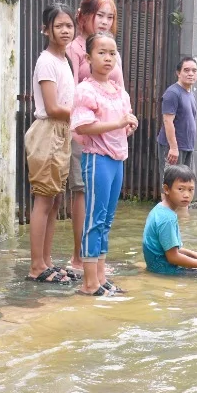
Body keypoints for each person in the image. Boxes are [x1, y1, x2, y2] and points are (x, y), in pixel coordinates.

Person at [70, 33, 137, 298]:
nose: (108, 58)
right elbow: (83, 125)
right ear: (88, 58)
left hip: (117, 158)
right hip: (97, 158)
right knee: (94, 219)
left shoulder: (119, 91)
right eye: (102, 53)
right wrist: (119, 124)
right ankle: (89, 283)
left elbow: (121, 124)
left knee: (107, 220)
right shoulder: (85, 89)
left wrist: (128, 126)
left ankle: (100, 277)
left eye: (112, 53)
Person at [65, 0, 126, 275]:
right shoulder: (75, 49)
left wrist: (126, 120)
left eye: (110, 17)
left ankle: (98, 268)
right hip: (88, 135)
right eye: (99, 15)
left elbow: (120, 91)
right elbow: (72, 95)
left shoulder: (112, 52)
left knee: (105, 211)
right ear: (84, 16)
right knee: (84, 196)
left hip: (114, 140)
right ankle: (81, 260)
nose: (104, 21)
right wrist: (111, 120)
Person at [26, 3, 78, 286]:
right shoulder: (46, 60)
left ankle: (45, 262)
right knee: (44, 199)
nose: (65, 31)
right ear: (46, 30)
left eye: (69, 25)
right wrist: (85, 113)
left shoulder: (64, 60)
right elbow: (53, 106)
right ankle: (36, 266)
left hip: (61, 132)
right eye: (58, 26)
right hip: (48, 131)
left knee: (55, 200)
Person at [144, 164, 197, 275]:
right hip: (165, 271)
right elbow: (173, 257)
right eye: (181, 189)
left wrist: (195, 255)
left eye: (190, 190)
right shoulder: (167, 218)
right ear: (166, 189)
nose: (186, 195)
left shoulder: (159, 209)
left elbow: (170, 249)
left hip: (157, 267)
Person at [159, 56, 197, 173]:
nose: (191, 73)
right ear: (178, 73)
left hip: (187, 146)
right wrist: (173, 148)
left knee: (185, 183)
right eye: (186, 70)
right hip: (173, 148)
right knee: (170, 185)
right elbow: (168, 121)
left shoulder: (190, 93)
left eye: (194, 70)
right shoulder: (173, 93)